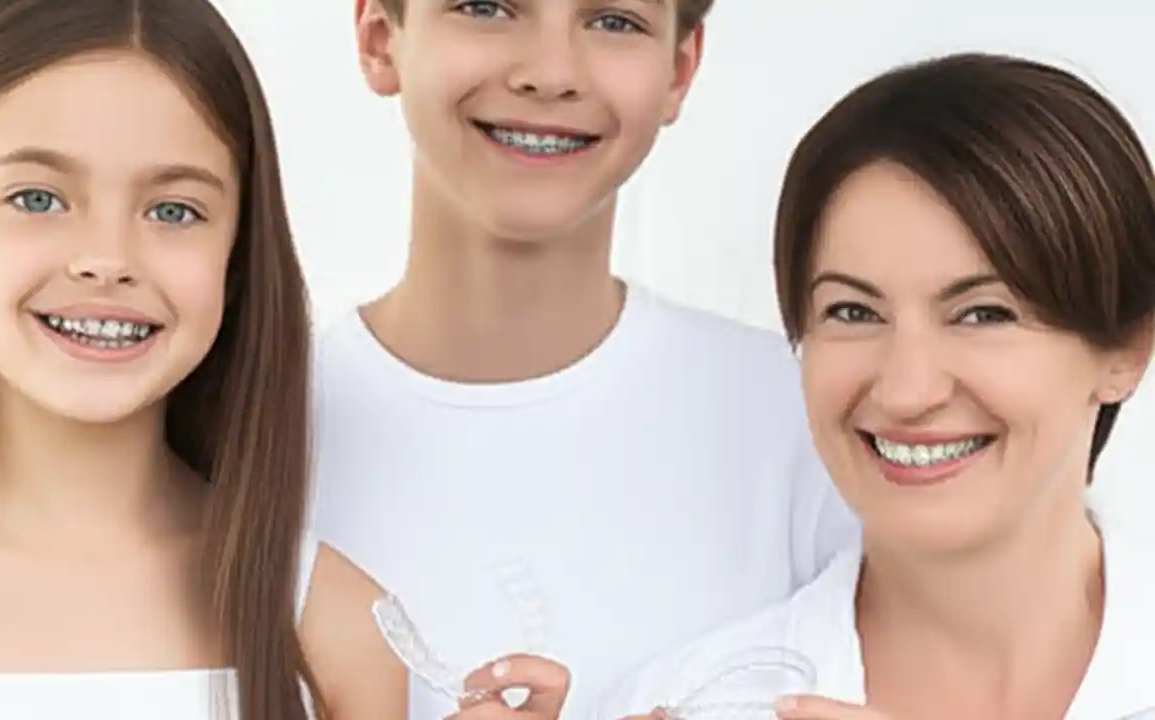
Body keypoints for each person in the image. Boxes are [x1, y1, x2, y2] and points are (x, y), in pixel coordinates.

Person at [311, 0, 857, 716]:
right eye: (485, 7)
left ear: (680, 68)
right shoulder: (236, 434)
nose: (551, 73)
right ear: (381, 39)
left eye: (613, 21)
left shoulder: (814, 425)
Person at [0, 1, 405, 718]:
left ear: (238, 257)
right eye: (37, 198)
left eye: (174, 211)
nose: (107, 261)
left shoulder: (334, 625)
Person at [598, 52, 1155, 720]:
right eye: (854, 313)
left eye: (983, 313)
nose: (906, 391)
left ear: (1127, 347)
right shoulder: (692, 704)